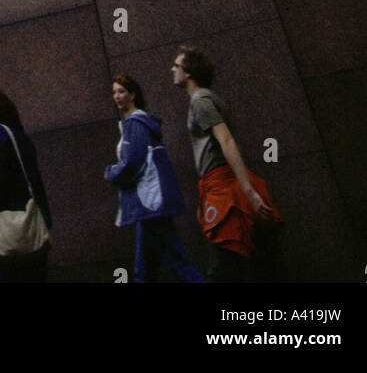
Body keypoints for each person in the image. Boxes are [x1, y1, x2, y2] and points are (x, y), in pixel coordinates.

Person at [172, 45, 281, 282]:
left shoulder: (200, 102)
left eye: (177, 65)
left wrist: (249, 192)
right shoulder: (209, 99)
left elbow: (226, 141)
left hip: (223, 188)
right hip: (219, 186)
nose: (172, 69)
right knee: (241, 263)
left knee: (221, 267)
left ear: (188, 72)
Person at [104, 73, 204, 283]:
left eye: (121, 91)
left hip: (149, 203)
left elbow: (133, 163)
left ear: (133, 94)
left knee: (179, 265)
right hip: (151, 203)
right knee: (145, 270)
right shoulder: (140, 123)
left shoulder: (135, 124)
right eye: (114, 92)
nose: (117, 96)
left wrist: (111, 173)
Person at [0, 87, 52, 284]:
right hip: (33, 227)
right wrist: (45, 220)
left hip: (9, 230)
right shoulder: (22, 138)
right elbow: (36, 182)